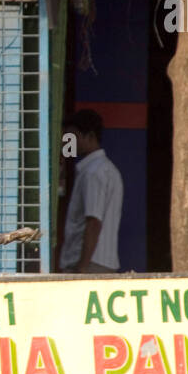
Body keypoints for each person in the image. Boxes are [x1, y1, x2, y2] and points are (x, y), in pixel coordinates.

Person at [59, 109, 123, 273]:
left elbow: (93, 221)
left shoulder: (93, 172)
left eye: (72, 137)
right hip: (100, 262)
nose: (68, 143)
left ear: (90, 136)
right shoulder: (105, 169)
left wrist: (82, 267)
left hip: (89, 264)